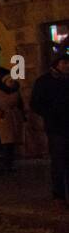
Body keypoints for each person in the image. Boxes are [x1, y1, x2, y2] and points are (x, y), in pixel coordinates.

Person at [31, 51, 69, 210]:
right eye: (64, 63)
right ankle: (59, 196)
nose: (67, 66)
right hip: (56, 127)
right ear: (56, 64)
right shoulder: (44, 81)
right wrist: (52, 114)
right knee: (59, 161)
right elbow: (36, 104)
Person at [0, 70, 24, 172]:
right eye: (9, 81)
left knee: (13, 141)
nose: (12, 83)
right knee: (7, 141)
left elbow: (20, 104)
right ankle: (7, 163)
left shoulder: (16, 91)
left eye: (13, 81)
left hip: (15, 117)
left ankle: (11, 162)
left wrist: (21, 114)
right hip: (4, 118)